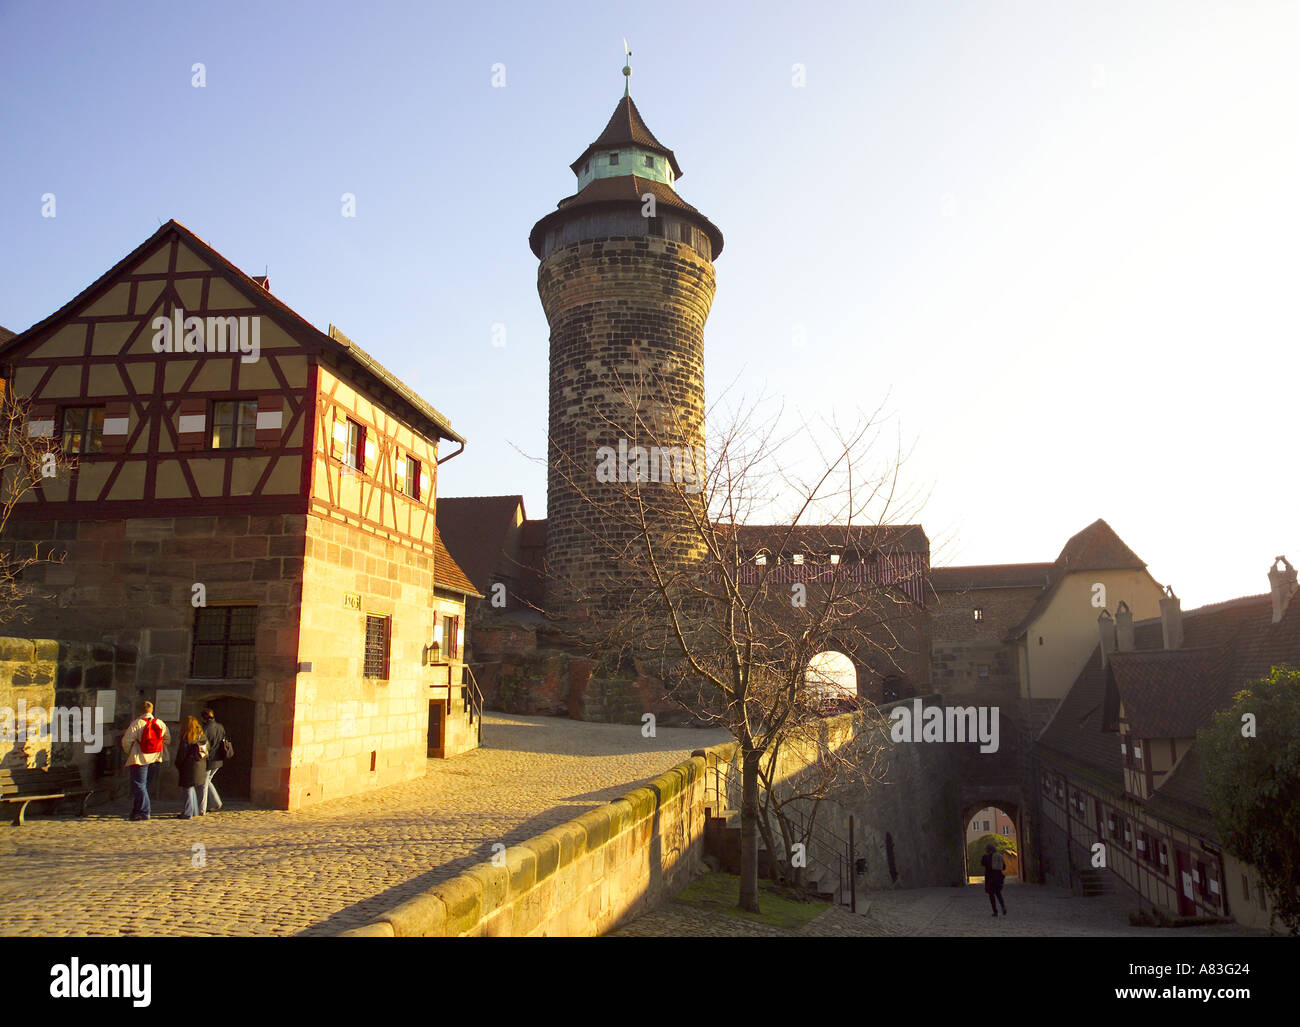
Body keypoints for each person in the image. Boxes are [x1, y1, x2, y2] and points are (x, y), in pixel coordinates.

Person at [121, 700, 171, 821]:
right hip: (156, 757)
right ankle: (136, 810)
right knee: (144, 786)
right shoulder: (160, 723)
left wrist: (130, 752)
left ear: (140, 710)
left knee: (139, 785)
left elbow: (126, 741)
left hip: (140, 758)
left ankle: (144, 811)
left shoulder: (137, 723)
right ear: (152, 710)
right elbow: (168, 739)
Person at [173, 716, 209, 819]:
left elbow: (181, 754)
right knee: (193, 788)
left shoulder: (187, 737)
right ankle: (194, 810)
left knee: (187, 789)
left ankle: (188, 812)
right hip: (200, 765)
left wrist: (178, 764)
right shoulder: (202, 736)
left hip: (189, 766)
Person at [199, 709, 227, 814]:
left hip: (209, 759)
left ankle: (201, 808)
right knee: (207, 781)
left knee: (203, 784)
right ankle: (216, 802)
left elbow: (202, 744)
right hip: (218, 759)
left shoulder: (205, 729)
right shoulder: (220, 727)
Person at [980, 843, 1008, 917]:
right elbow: (1004, 867)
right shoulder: (999, 856)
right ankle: (1003, 907)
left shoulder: (986, 857)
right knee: (998, 894)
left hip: (990, 878)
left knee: (991, 895)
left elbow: (982, 864)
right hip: (998, 877)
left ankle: (995, 911)